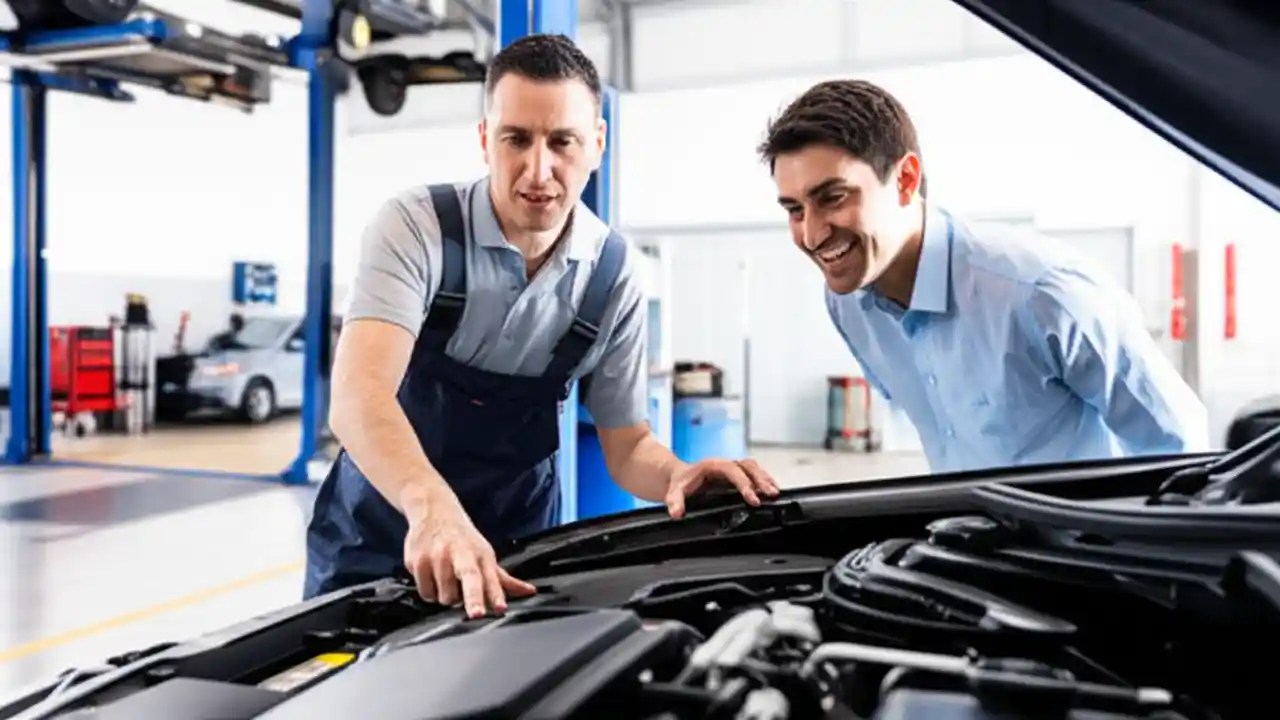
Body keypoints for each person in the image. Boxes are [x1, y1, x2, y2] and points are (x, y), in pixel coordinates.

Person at [305, 34, 779, 616]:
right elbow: (359, 395)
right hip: (377, 535)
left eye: (562, 141)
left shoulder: (614, 277)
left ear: (597, 144)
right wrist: (432, 509)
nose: (538, 169)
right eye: (516, 139)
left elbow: (628, 445)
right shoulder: (416, 228)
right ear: (485, 139)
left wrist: (680, 475)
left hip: (517, 552)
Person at [757, 79, 1209, 474]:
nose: (812, 234)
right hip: (970, 551)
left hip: (1084, 560)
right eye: (794, 209)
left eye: (833, 197)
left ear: (905, 180)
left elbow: (1178, 446)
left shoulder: (1042, 292)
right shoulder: (848, 302)